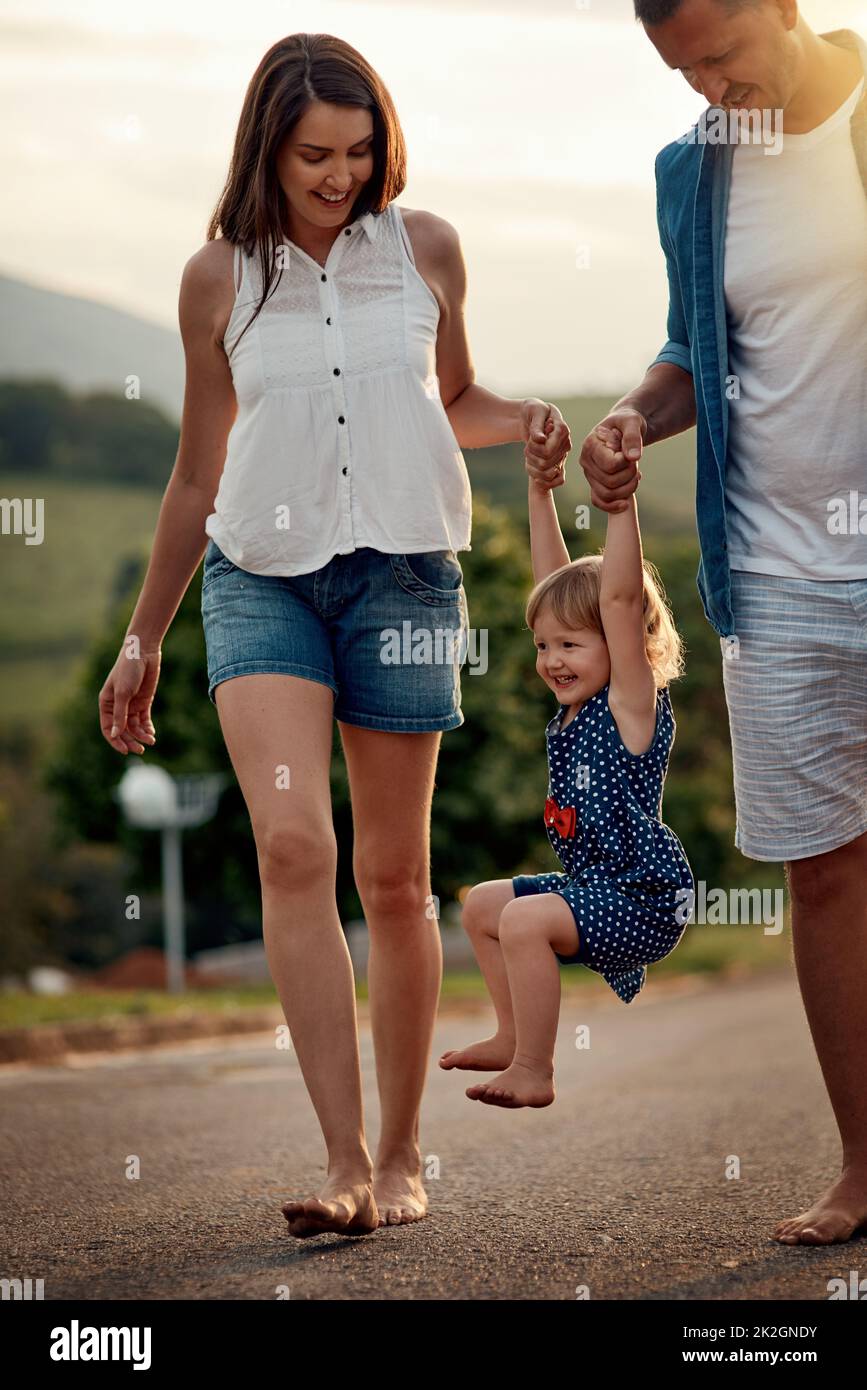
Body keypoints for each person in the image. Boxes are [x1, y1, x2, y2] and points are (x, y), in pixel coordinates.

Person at [97, 32, 570, 1237]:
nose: (340, 175)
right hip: (263, 583)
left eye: (361, 152)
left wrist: (536, 422)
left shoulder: (426, 252)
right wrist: (144, 636)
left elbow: (458, 401)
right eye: (315, 154)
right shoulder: (218, 278)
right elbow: (199, 469)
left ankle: (406, 1157)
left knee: (395, 876)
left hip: (404, 581)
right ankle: (343, 1160)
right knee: (297, 847)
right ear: (269, 145)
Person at [579, 0, 867, 1244]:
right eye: (682, 67)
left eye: (723, 52)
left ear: (788, 9)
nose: (708, 85)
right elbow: (694, 346)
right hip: (777, 572)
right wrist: (637, 415)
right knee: (825, 874)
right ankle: (864, 1167)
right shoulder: (690, 170)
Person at [439, 432, 693, 1108]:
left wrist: (618, 503)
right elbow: (553, 584)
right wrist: (539, 488)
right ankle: (508, 1033)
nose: (552, 658)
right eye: (543, 645)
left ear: (621, 644)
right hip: (596, 886)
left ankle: (534, 1068)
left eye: (570, 645)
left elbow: (616, 601)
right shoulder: (573, 709)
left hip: (642, 898)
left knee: (523, 922)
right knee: (485, 904)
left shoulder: (629, 704)